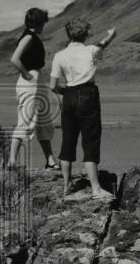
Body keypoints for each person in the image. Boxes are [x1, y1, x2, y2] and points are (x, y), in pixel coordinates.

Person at [49, 18, 117, 200]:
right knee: (91, 140)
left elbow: (52, 85)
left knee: (68, 140)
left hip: (69, 95)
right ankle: (96, 188)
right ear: (86, 34)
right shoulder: (91, 51)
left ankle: (66, 185)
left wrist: (65, 92)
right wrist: (111, 35)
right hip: (88, 95)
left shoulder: (59, 55)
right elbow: (103, 44)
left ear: (68, 34)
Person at [8, 7, 59, 170]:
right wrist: (27, 74)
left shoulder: (31, 36)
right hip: (30, 81)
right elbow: (14, 59)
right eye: (42, 22)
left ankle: (50, 160)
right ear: (37, 23)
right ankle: (12, 162)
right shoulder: (29, 37)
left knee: (43, 122)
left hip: (36, 80)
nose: (44, 26)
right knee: (26, 121)